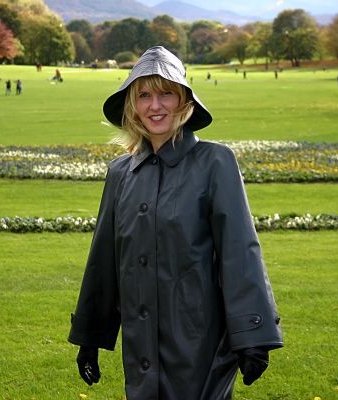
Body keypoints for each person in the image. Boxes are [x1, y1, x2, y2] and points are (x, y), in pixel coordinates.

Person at [68, 46, 283, 400]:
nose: (156, 106)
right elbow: (103, 259)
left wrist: (252, 336)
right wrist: (90, 336)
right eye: (145, 95)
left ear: (184, 100)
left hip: (200, 342)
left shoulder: (215, 163)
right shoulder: (120, 173)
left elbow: (240, 251)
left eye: (166, 93)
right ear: (132, 105)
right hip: (140, 346)